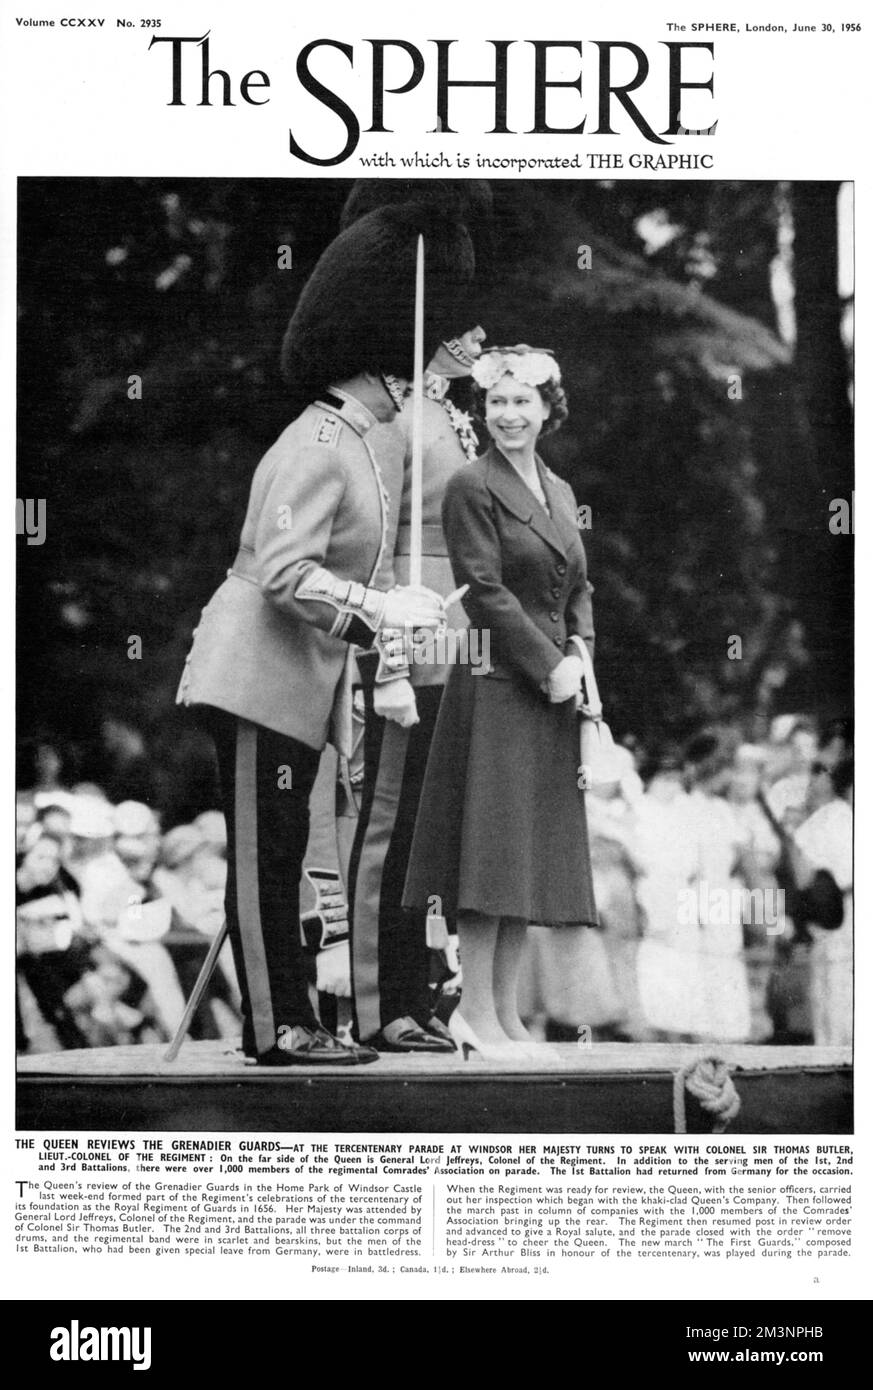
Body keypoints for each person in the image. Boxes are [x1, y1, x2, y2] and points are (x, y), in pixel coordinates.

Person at [176, 201, 475, 1066]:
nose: (413, 387)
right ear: (380, 369)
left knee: (277, 856)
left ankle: (297, 1017)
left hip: (296, 682)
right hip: (253, 673)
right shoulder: (315, 441)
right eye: (406, 374)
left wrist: (380, 623)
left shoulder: (353, 443)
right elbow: (283, 571)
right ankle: (278, 1028)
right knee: (266, 863)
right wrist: (377, 611)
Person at [403, 345, 599, 1059]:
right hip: (495, 684)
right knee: (488, 857)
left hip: (550, 688)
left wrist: (579, 655)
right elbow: (483, 590)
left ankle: (507, 1017)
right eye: (498, 403)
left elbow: (577, 586)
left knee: (526, 855)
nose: (508, 415)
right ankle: (474, 1014)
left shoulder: (557, 485)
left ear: (549, 410)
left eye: (523, 403)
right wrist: (548, 665)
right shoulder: (469, 484)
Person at [347, 324, 486, 1054]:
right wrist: (390, 664)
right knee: (389, 826)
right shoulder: (397, 415)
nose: (479, 338)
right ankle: (379, 1002)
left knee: (433, 833)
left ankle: (423, 990)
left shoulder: (451, 410)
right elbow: (378, 545)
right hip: (408, 638)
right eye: (464, 325)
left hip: (459, 639)